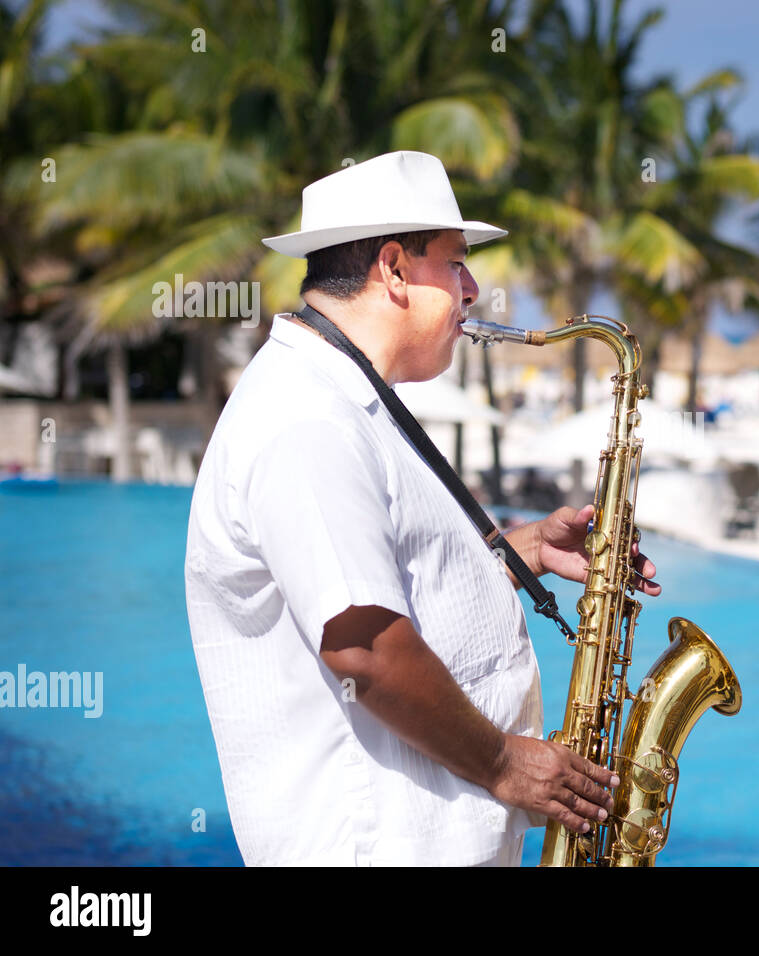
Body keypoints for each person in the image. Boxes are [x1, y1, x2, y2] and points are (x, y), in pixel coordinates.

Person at [184, 151, 661, 866]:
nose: (472, 290)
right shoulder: (308, 419)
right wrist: (505, 763)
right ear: (395, 269)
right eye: (458, 264)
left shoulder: (350, 397)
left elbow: (389, 576)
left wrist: (524, 550)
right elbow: (364, 649)